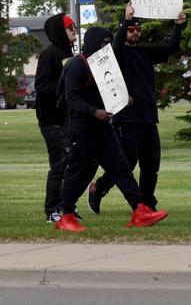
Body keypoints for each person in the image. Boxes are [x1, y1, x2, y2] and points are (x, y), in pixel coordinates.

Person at [54, 27, 169, 232]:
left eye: (109, 43)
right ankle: (67, 215)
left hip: (102, 127)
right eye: (103, 43)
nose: (107, 47)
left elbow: (107, 90)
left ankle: (139, 210)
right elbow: (72, 98)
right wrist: (94, 111)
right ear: (92, 44)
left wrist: (122, 99)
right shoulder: (78, 65)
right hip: (81, 128)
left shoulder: (103, 64)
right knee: (77, 172)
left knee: (121, 167)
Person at [87, 5, 186, 214]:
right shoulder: (117, 54)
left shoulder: (145, 52)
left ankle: (147, 202)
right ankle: (99, 188)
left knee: (151, 164)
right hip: (126, 118)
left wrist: (178, 26)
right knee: (127, 162)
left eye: (138, 29)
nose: (135, 32)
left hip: (148, 117)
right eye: (132, 29)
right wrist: (126, 21)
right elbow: (115, 48)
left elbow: (170, 48)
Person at [34, 14, 78, 224]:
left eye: (75, 28)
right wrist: (65, 88)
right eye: (70, 28)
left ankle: (67, 205)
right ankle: (53, 209)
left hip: (68, 119)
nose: (74, 31)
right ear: (60, 31)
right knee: (59, 163)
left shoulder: (70, 54)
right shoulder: (49, 55)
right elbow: (42, 86)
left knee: (72, 163)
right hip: (51, 119)